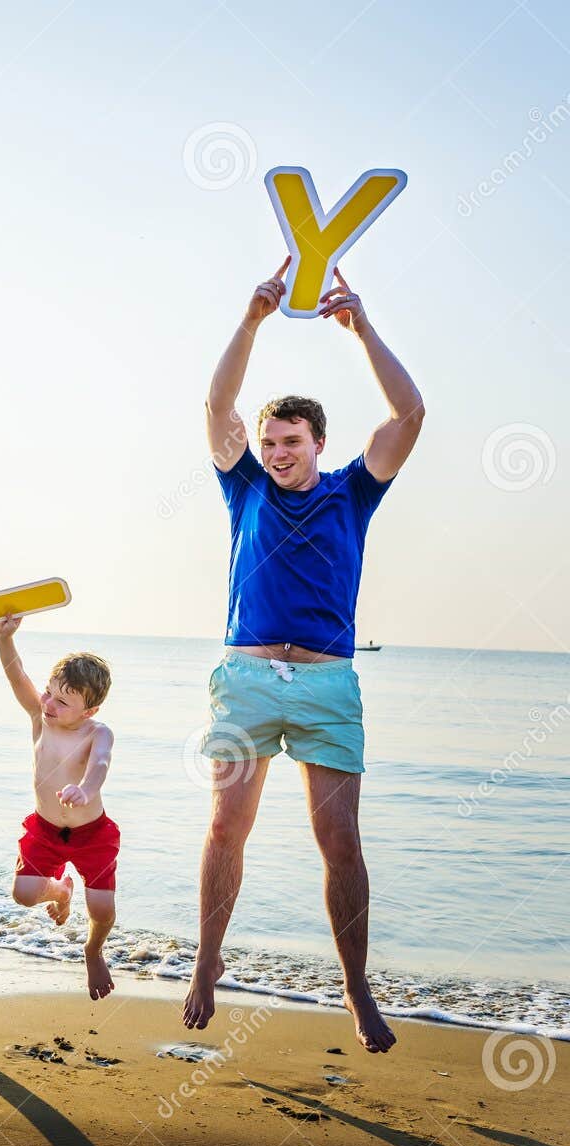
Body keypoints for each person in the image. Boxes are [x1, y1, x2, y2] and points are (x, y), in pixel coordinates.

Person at [185, 261, 424, 1053]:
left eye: (291, 441)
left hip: (327, 687)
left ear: (319, 442)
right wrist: (252, 318)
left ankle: (355, 988)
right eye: (269, 441)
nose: (278, 452)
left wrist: (361, 329)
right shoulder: (244, 487)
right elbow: (216, 404)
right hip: (247, 682)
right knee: (227, 828)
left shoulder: (354, 490)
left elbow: (411, 412)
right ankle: (207, 963)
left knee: (342, 844)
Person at [0, 629, 119, 999]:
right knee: (24, 892)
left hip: (91, 833)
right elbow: (16, 673)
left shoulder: (99, 732)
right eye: (49, 692)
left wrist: (86, 789)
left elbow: (101, 762)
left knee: (101, 906)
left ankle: (93, 949)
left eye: (63, 701)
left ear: (90, 710)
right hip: (46, 830)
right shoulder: (40, 717)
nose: (49, 703)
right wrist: (5, 638)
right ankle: (62, 891)